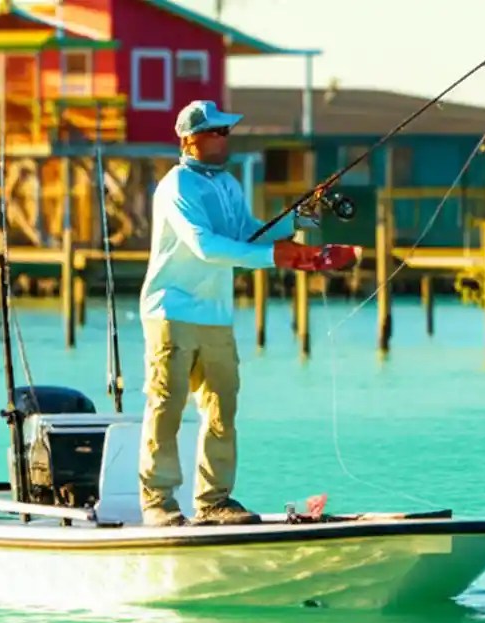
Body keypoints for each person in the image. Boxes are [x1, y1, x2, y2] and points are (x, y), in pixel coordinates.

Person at [137, 99, 358, 527]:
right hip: (171, 310)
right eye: (215, 132)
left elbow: (246, 232)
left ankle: (214, 501)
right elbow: (206, 246)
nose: (224, 138)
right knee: (167, 407)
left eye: (226, 131)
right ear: (188, 139)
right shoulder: (177, 186)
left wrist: (301, 216)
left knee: (222, 410)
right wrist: (276, 257)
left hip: (215, 315)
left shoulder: (228, 184)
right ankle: (158, 503)